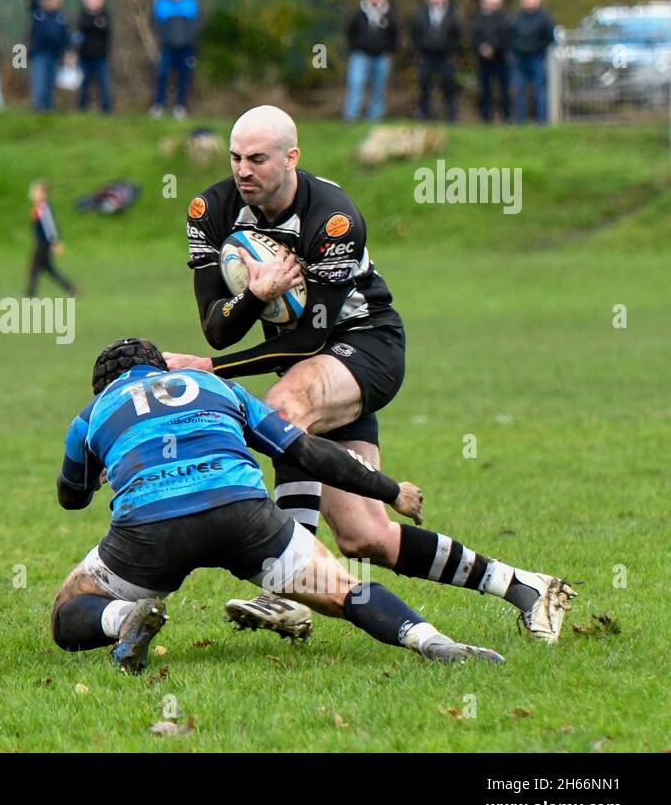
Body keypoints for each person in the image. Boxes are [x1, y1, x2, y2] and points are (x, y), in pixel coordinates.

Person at [169, 105, 575, 643]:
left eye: (258, 159)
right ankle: (525, 586)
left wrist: (213, 372)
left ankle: (283, 594)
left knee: (284, 408)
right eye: (236, 158)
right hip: (303, 363)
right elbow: (217, 328)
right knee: (366, 538)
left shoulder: (332, 216)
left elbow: (313, 337)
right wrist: (255, 296)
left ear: (292, 158)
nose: (243, 170)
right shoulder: (210, 210)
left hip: (367, 347)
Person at [50, 338, 506, 674]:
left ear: (104, 386)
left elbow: (72, 498)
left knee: (70, 610)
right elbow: (304, 452)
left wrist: (99, 468)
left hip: (150, 530)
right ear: (161, 367)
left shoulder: (93, 414)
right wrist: (391, 491)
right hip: (243, 515)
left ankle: (125, 617)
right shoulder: (212, 385)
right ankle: (432, 641)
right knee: (346, 590)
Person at [150, 0, 202, 120]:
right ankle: (159, 104)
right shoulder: (161, 3)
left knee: (185, 76)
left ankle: (180, 106)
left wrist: (189, 40)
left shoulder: (191, 2)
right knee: (163, 74)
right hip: (167, 47)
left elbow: (198, 25)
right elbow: (155, 24)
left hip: (187, 48)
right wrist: (164, 39)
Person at [342, 0, 398, 122]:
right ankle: (351, 116)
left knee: (379, 88)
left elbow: (394, 34)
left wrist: (388, 49)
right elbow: (349, 32)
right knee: (356, 84)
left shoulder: (388, 15)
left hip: (381, 57)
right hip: (360, 56)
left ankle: (375, 117)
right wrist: (356, 47)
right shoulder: (358, 14)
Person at [410, 0, 462, 122]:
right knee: (424, 84)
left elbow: (458, 34)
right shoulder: (420, 13)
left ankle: (452, 116)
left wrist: (454, 54)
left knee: (449, 85)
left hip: (446, 56)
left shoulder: (452, 13)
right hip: (426, 55)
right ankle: (424, 114)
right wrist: (417, 52)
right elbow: (414, 34)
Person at [510, 0, 555, 124]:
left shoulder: (544, 18)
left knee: (539, 90)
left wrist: (537, 48)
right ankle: (520, 121)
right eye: (526, 1)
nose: (528, 4)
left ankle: (542, 120)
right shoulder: (517, 17)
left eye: (531, 1)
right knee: (519, 90)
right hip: (519, 59)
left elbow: (550, 38)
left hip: (537, 58)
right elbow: (511, 35)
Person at [26, 180, 78, 297]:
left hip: (44, 244)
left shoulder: (44, 208)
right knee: (49, 269)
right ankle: (72, 289)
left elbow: (50, 225)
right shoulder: (38, 207)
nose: (33, 193)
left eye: (36, 191)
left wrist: (56, 242)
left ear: (43, 194)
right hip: (41, 242)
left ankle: (29, 295)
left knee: (34, 268)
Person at [471, 0, 511, 123]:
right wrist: (482, 48)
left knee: (504, 90)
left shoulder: (503, 17)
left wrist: (493, 48)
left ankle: (507, 117)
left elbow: (505, 36)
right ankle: (486, 117)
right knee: (485, 89)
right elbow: (474, 36)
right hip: (483, 60)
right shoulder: (477, 18)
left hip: (501, 58)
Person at [28, 0, 70, 112]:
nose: (51, 2)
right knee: (39, 83)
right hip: (39, 54)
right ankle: (37, 109)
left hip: (55, 54)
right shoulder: (37, 13)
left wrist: (67, 52)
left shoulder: (61, 17)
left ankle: (47, 111)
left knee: (50, 84)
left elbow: (65, 36)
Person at [75, 0, 112, 113]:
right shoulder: (83, 14)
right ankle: (82, 107)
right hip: (85, 56)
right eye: (90, 0)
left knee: (104, 84)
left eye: (96, 0)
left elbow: (105, 31)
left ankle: (107, 109)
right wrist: (95, 24)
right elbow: (84, 26)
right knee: (85, 84)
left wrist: (95, 25)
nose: (93, 3)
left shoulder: (105, 13)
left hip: (101, 56)